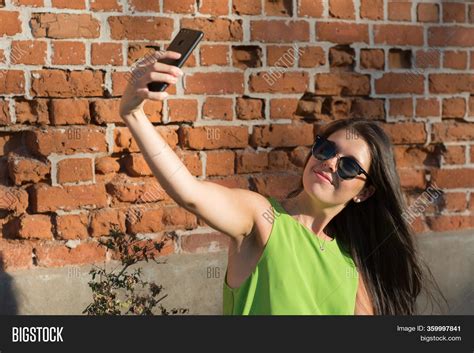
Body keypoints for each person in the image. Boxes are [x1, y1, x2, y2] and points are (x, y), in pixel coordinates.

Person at [119, 51, 446, 315]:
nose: (330, 163)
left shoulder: (350, 263)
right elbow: (190, 193)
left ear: (366, 192)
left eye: (348, 166)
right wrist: (133, 113)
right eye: (326, 149)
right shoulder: (262, 220)